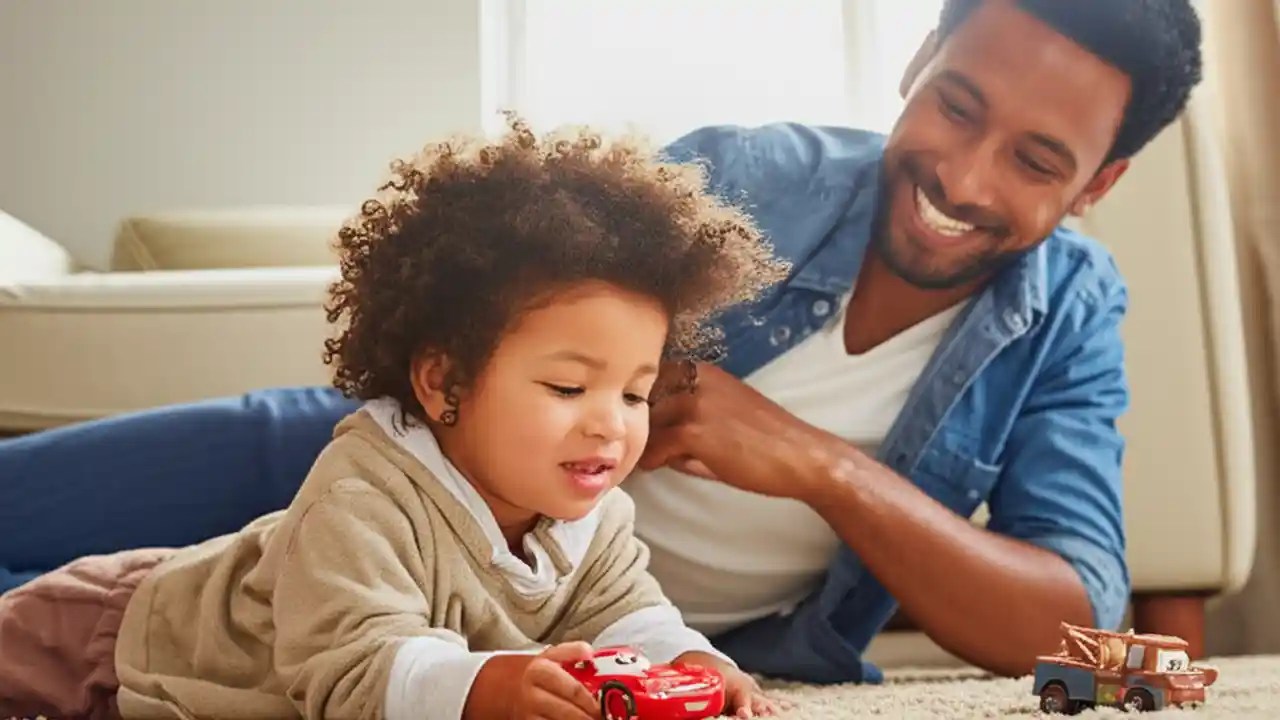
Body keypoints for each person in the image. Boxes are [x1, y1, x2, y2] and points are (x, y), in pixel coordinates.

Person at [0, 0, 1204, 688]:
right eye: (954, 105)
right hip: (367, 477)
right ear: (915, 68)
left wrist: (813, 463)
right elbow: (487, 260)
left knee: (159, 637)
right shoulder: (751, 176)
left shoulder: (1067, 318)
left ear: (1097, 182)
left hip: (520, 618)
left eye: (1036, 161)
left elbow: (1070, 615)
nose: (961, 176)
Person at [0, 118, 789, 719]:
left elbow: (629, 617)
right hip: (114, 634)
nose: (609, 426)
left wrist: (692, 662)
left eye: (632, 394)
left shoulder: (599, 522)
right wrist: (481, 688)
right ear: (445, 379)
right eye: (565, 388)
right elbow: (349, 668)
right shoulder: (367, 493)